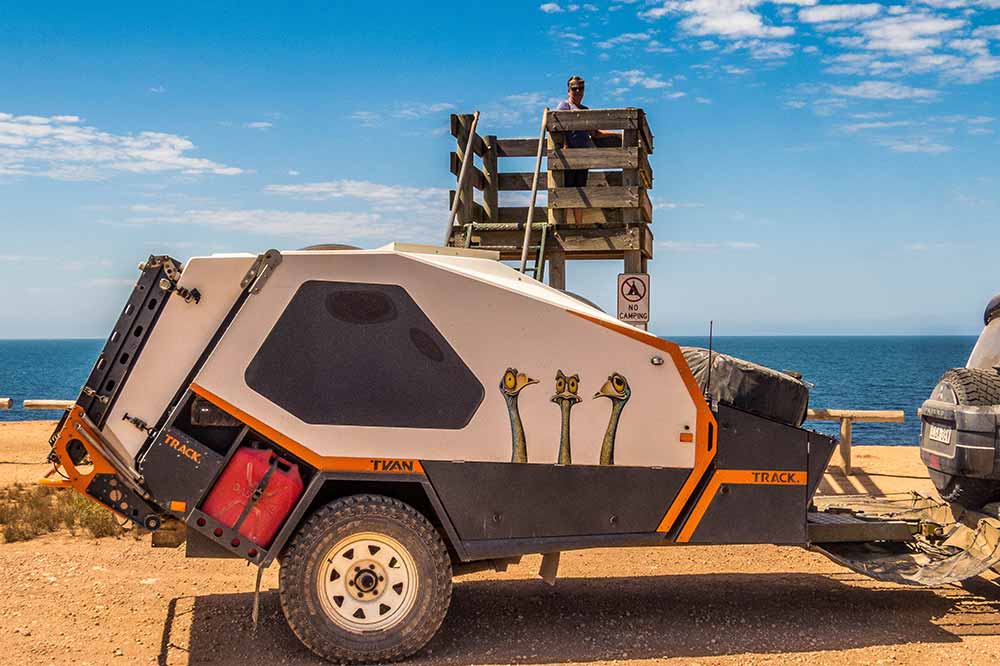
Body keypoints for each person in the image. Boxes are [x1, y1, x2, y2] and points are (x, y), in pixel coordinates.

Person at [555, 75, 617, 224]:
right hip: (568, 157)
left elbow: (595, 133)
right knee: (567, 191)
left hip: (583, 158)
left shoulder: (585, 110)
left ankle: (578, 225)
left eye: (580, 88)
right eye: (574, 88)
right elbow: (557, 128)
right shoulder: (564, 106)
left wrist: (617, 134)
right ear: (568, 90)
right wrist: (565, 145)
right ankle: (563, 225)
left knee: (580, 191)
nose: (577, 91)